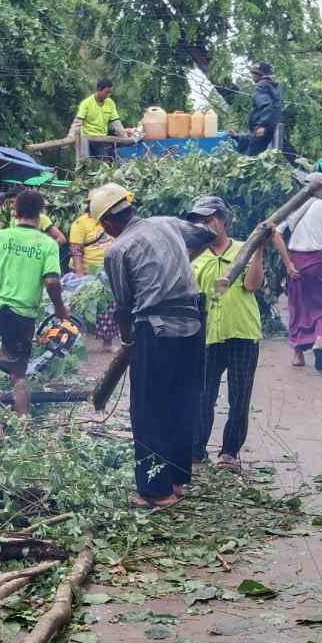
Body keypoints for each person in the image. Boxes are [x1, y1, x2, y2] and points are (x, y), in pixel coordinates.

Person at [94, 183, 216, 510]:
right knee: (181, 402)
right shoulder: (167, 223)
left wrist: (128, 341)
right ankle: (176, 481)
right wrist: (178, 259)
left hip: (156, 330)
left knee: (148, 411)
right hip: (192, 326)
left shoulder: (117, 250)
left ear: (107, 223)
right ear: (130, 208)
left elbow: (123, 305)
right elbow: (207, 233)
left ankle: (157, 491)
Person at [0, 189, 70, 416]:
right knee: (18, 375)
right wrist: (60, 308)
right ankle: (22, 420)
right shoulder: (48, 244)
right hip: (22, 319)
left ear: (15, 212)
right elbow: (52, 282)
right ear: (40, 214)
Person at [188, 195, 264, 471]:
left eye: (208, 219)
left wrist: (259, 250)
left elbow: (252, 285)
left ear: (222, 220)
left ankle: (229, 453)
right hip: (207, 335)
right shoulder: (195, 257)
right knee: (203, 395)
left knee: (240, 396)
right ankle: (196, 450)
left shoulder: (245, 249)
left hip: (242, 331)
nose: (203, 225)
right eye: (198, 221)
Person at [272, 177, 322, 371]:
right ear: (320, 188)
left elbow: (275, 233)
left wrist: (288, 263)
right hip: (318, 262)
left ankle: (298, 354)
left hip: (296, 261)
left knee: (297, 306)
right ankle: (319, 341)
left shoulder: (291, 207)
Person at [68, 205, 119, 351]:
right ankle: (74, 342)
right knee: (80, 307)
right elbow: (76, 249)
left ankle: (107, 343)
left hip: (108, 270)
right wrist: (79, 274)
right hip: (87, 272)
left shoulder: (110, 219)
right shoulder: (80, 223)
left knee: (109, 307)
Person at [71, 77, 127, 159]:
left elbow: (116, 123)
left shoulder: (110, 103)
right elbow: (77, 123)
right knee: (85, 162)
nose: (108, 95)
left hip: (102, 139)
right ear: (99, 89)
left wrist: (125, 137)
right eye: (106, 92)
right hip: (87, 140)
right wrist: (71, 136)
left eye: (110, 93)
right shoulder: (86, 103)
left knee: (105, 162)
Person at [0, 190, 68, 244]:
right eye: (10, 202)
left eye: (14, 202)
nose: (12, 205)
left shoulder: (41, 217)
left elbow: (61, 239)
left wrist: (44, 251)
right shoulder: (12, 217)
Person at [243, 61, 283, 156]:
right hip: (272, 126)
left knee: (251, 157)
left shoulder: (261, 86)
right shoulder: (274, 86)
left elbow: (266, 105)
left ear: (259, 74)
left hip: (262, 128)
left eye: (254, 73)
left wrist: (262, 126)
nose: (252, 76)